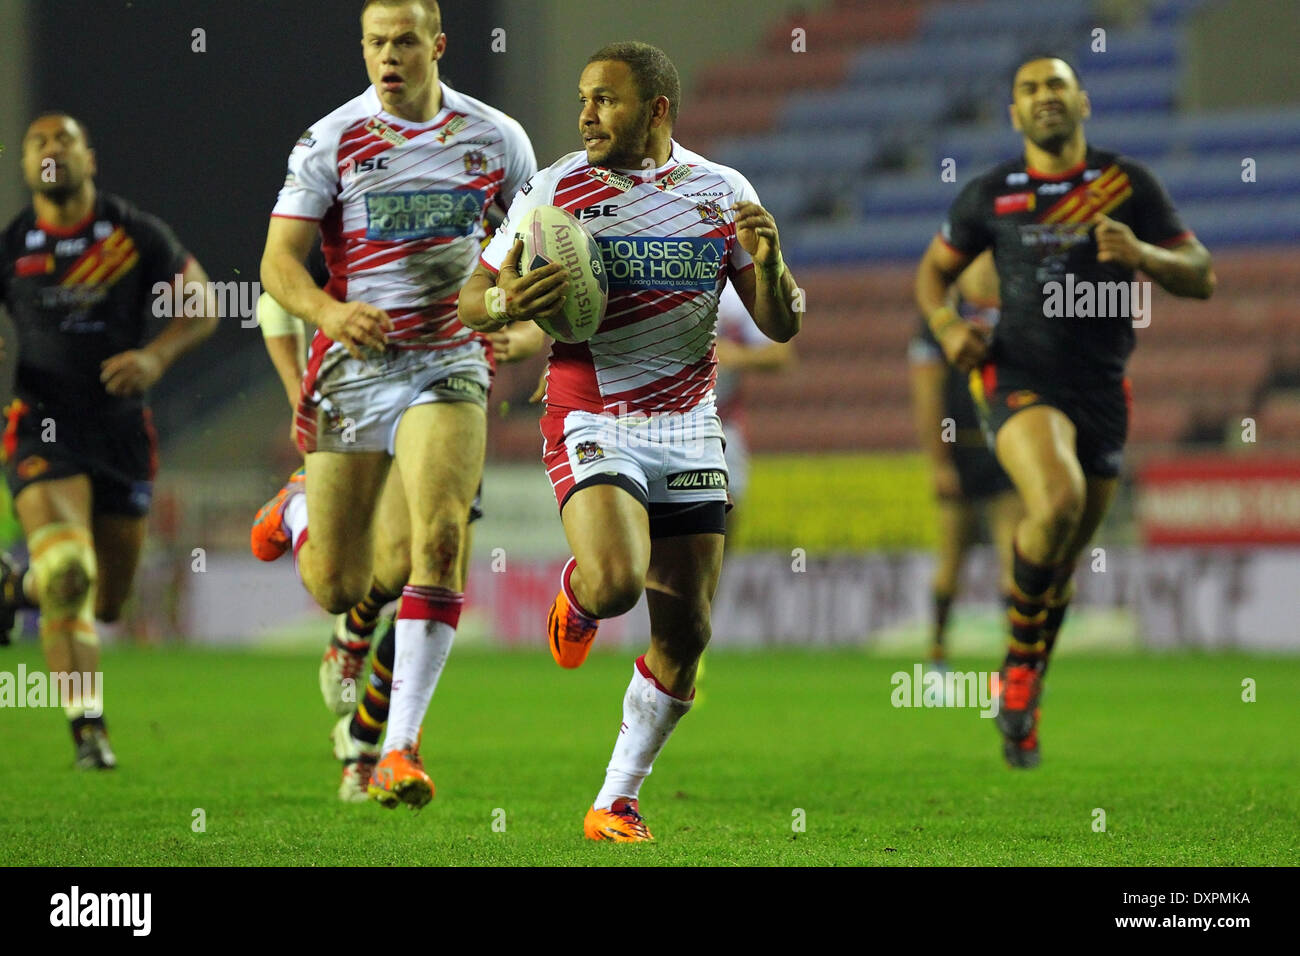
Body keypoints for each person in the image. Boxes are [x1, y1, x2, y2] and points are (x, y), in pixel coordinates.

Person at [459, 41, 802, 841]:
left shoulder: (722, 194)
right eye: (582, 98)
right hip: (594, 414)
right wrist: (509, 298)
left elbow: (780, 327)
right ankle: (580, 598)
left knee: (687, 634)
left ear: (656, 109)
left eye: (604, 100)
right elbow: (474, 298)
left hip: (689, 427)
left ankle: (615, 800)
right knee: (616, 582)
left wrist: (775, 261)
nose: (585, 114)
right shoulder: (553, 191)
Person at [248, 0, 537, 809]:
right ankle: (303, 508)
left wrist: (523, 315)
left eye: (404, 41)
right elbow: (278, 263)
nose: (388, 56)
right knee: (339, 585)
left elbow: (534, 252)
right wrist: (331, 313)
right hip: (354, 362)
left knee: (436, 542)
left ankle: (397, 751)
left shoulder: (497, 140)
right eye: (375, 42)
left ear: (436, 46)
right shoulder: (332, 139)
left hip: (449, 361)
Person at [914, 55, 1215, 768]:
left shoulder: (1128, 185)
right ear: (1014, 115)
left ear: (1083, 104)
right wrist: (949, 325)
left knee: (1061, 561)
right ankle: (1015, 671)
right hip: (1016, 376)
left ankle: (1025, 688)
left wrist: (1144, 253)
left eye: (1057, 86)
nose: (1044, 97)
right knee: (1057, 496)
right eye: (1029, 89)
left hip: (1103, 391)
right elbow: (933, 273)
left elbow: (1201, 274)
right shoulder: (992, 194)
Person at [257, 289, 543, 801]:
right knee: (391, 566)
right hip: (369, 388)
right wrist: (298, 396)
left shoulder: (504, 212)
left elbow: (549, 304)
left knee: (439, 571)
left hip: (454, 391)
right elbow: (276, 291)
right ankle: (341, 592)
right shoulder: (356, 217)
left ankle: (371, 742)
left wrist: (520, 336)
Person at [0, 112, 218, 768]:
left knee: (108, 599)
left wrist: (155, 358)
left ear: (89, 158)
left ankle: (14, 589)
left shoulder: (133, 233)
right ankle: (87, 728)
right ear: (24, 164)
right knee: (69, 570)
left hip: (121, 432)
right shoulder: (13, 245)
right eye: (38, 142)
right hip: (42, 426)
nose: (51, 150)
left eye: (63, 139)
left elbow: (204, 303)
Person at [908, 250, 1021, 674]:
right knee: (951, 561)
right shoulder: (941, 320)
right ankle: (937, 658)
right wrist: (939, 461)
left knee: (1013, 562)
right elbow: (927, 396)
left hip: (1009, 450)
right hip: (962, 451)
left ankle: (1013, 666)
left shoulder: (1013, 312)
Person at [713, 281, 794, 541]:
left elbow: (781, 354)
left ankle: (718, 581)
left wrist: (736, 356)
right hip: (651, 420)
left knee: (726, 515)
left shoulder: (733, 294)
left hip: (721, 425)